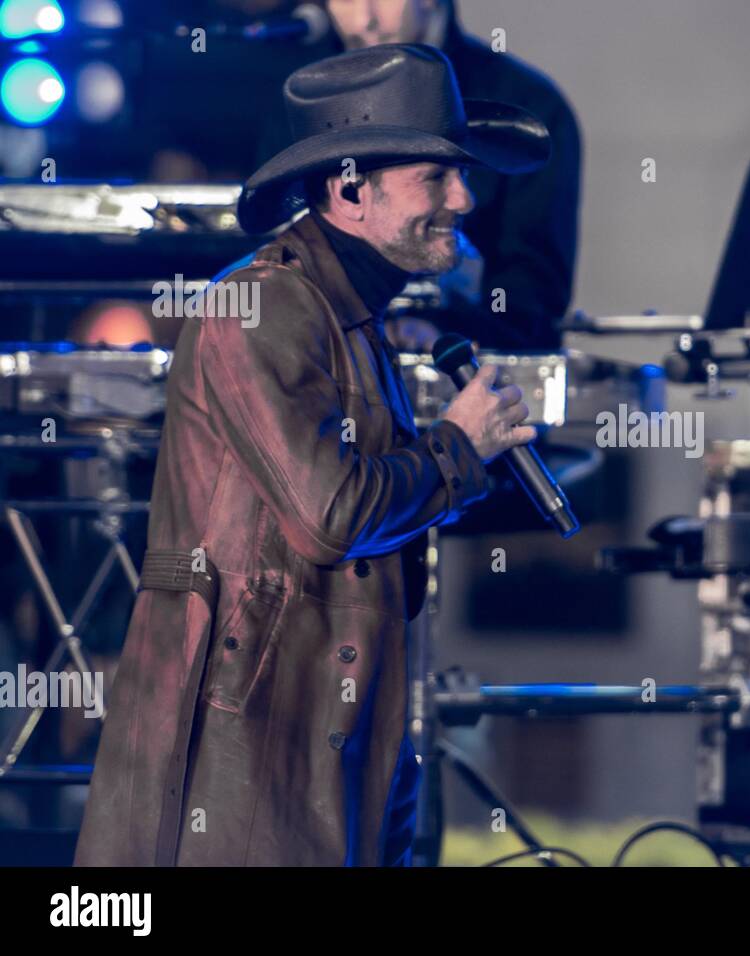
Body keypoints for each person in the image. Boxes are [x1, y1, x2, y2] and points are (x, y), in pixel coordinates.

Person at [74, 44, 547, 866]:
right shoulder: (263, 305)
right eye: (435, 176)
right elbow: (332, 514)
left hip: (322, 742)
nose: (464, 198)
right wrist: (457, 448)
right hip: (247, 757)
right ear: (351, 188)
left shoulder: (349, 318)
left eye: (460, 174)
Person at [322, 0, 582, 350]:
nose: (361, 19)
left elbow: (531, 290)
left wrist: (446, 329)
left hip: (468, 371)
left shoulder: (527, 105)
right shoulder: (304, 95)